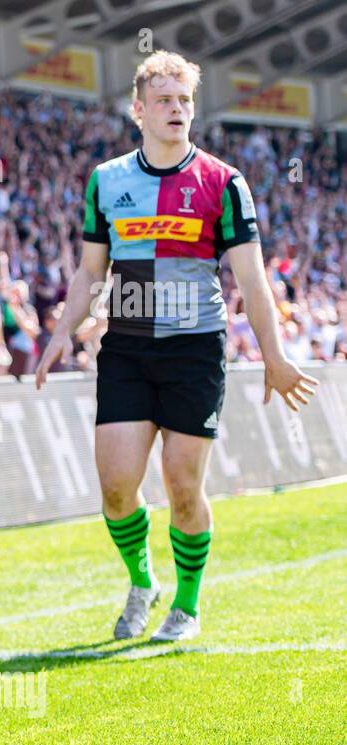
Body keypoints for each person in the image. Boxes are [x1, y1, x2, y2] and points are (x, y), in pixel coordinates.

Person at [36, 51, 317, 642]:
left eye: (184, 100)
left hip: (194, 350)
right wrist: (62, 331)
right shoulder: (107, 180)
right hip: (127, 348)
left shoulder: (224, 182)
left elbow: (253, 280)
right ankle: (143, 582)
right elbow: (91, 272)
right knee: (117, 488)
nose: (177, 109)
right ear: (138, 110)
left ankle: (186, 606)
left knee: (184, 487)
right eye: (164, 100)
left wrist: (274, 355)